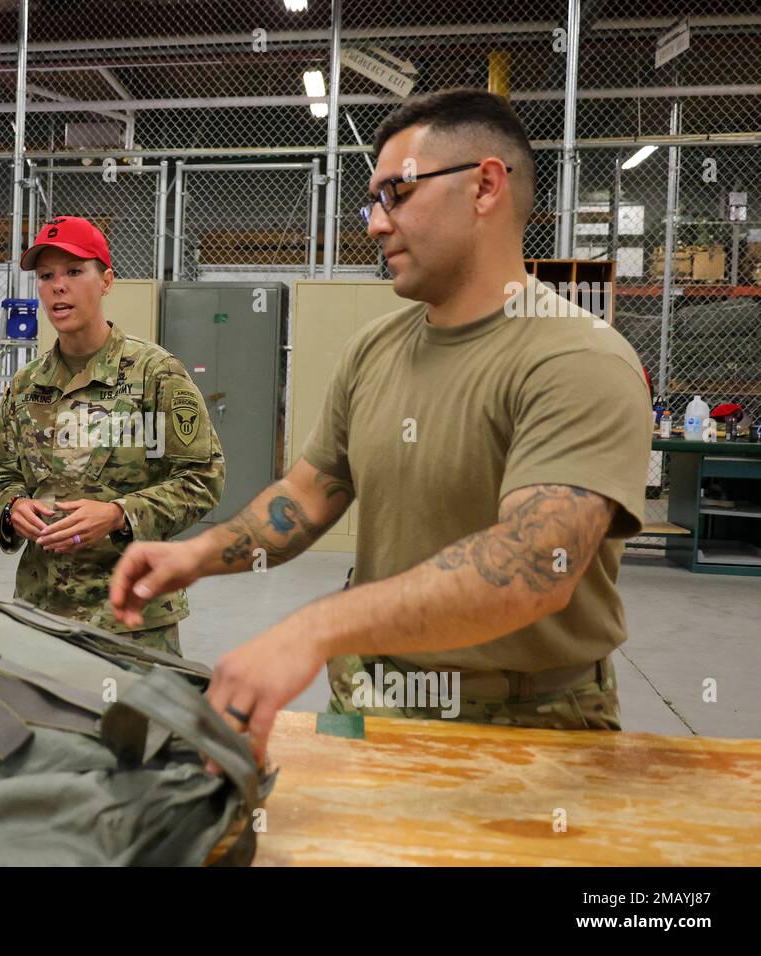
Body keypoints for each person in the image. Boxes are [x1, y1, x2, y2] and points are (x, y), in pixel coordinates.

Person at [110, 88, 652, 759]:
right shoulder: (374, 350)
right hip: (371, 697)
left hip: (529, 724)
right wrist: (191, 556)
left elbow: (534, 565)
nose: (374, 223)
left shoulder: (577, 358)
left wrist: (315, 627)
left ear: (484, 187)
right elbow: (307, 496)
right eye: (372, 201)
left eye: (397, 192)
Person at [0, 216, 224, 654]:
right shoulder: (26, 386)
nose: (58, 286)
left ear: (106, 281)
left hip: (132, 620)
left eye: (75, 272)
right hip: (42, 612)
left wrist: (119, 514)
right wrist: (12, 508)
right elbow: (6, 475)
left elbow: (201, 480)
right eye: (46, 276)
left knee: (133, 725)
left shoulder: (153, 375)